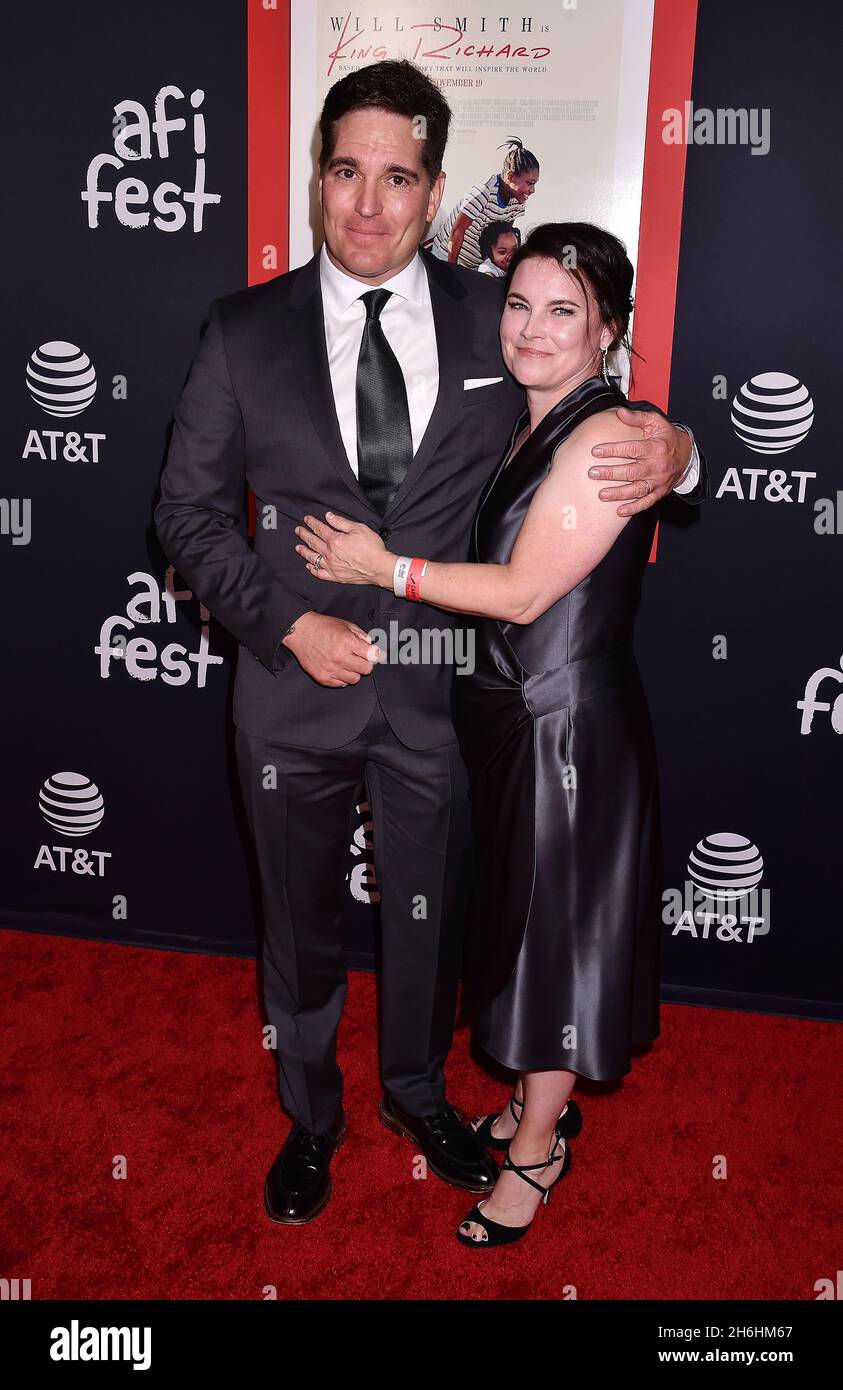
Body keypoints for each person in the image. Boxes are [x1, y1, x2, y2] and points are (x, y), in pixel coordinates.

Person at [155, 59, 705, 1229]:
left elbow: (589, 400)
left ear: (434, 187)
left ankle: (417, 1093)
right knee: (296, 932)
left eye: (395, 176)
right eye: (345, 170)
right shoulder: (240, 330)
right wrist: (286, 622)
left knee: (431, 921)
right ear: (317, 179)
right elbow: (187, 515)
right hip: (288, 694)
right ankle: (313, 1117)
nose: (367, 201)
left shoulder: (492, 318)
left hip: (442, 700)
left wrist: (681, 448)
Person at [294, 221, 685, 1247]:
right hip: (515, 723)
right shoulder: (525, 418)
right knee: (523, 928)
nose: (533, 328)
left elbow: (519, 593)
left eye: (564, 310)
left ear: (608, 327)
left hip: (567, 735)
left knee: (556, 945)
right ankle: (532, 1105)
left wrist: (385, 570)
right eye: (520, 304)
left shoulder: (606, 435)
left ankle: (537, 1150)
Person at [430, 137, 538, 268]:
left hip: (474, 264)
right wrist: (452, 269)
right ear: (510, 177)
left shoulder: (518, 201)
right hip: (446, 256)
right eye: (529, 183)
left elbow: (503, 237)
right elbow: (457, 231)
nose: (532, 190)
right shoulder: (484, 192)